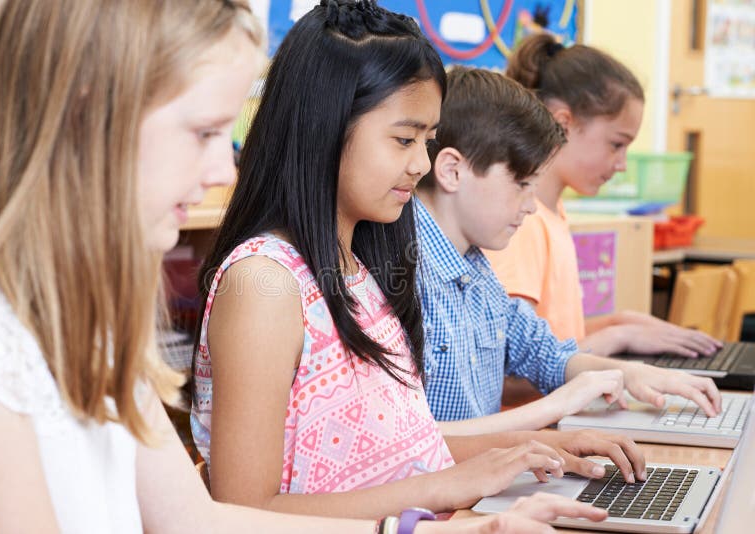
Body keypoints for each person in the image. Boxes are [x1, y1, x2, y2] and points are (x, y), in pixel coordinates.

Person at [0, 1, 591, 532]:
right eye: (204, 132)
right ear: (89, 116)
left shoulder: (87, 317)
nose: (222, 170)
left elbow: (195, 519)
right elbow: (238, 505)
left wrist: (446, 522)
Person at [191, 0, 645, 521]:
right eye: (405, 139)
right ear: (324, 127)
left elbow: (402, 453)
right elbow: (245, 511)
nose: (421, 164)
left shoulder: (361, 268)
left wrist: (535, 448)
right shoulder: (262, 284)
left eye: (427, 141)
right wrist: (446, 486)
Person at [414, 65, 721, 442]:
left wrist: (630, 373)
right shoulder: (403, 279)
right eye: (521, 184)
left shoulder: (476, 270)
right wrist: (557, 406)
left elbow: (545, 354)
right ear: (452, 172)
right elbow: (414, 443)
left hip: (489, 469)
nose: (531, 206)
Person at [484, 33, 722, 359]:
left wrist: (621, 322)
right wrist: (619, 336)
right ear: (563, 124)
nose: (622, 164)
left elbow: (558, 337)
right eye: (616, 144)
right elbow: (511, 365)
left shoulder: (552, 211)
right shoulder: (524, 222)